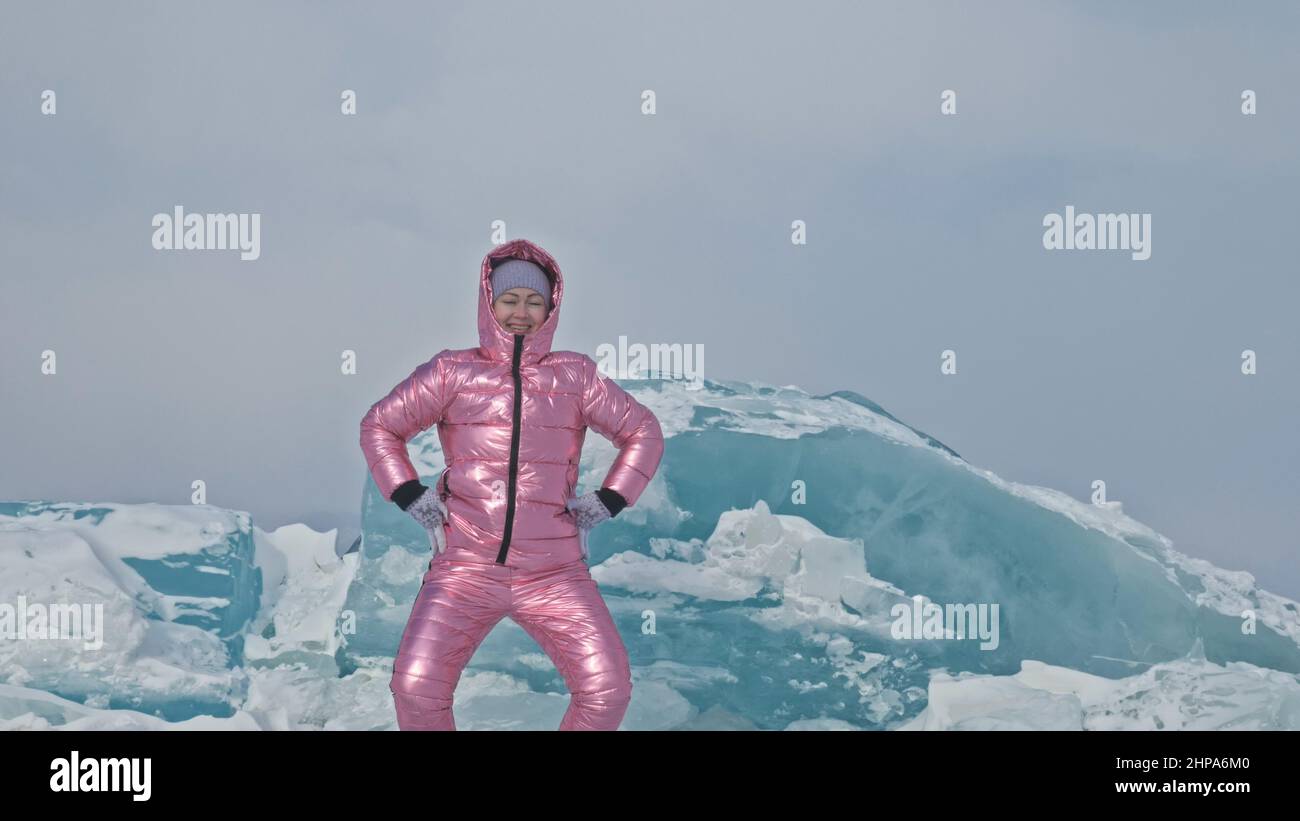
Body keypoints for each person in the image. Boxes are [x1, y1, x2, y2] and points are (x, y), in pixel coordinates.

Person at [358, 237, 664, 730]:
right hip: (464, 570)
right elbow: (380, 426)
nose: (521, 312)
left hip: (555, 573)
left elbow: (643, 431)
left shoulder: (575, 376)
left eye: (534, 301)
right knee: (416, 690)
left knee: (607, 692)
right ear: (489, 303)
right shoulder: (451, 371)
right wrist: (408, 492)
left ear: (550, 308)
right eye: (510, 300)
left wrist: (610, 498)